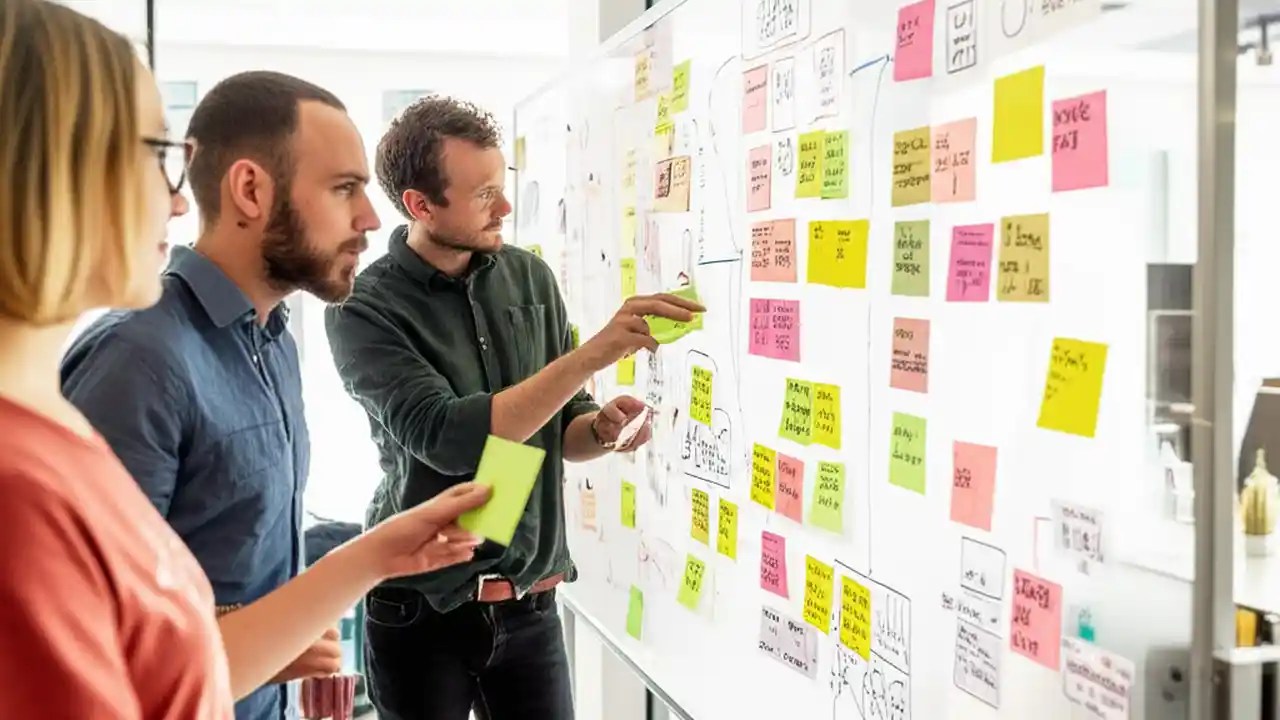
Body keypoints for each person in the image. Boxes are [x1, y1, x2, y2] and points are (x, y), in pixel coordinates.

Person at [0, 1, 492, 717]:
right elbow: (137, 670)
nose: (175, 201)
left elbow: (156, 644)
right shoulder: (124, 376)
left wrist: (374, 556)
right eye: (154, 156)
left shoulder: (274, 345)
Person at [324, 95, 704, 719]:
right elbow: (448, 437)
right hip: (423, 611)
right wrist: (592, 354)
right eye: (482, 196)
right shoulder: (362, 309)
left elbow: (562, 424)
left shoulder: (529, 278)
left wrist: (598, 429)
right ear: (420, 205)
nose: (504, 208)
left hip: (529, 607)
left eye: (502, 188)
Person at [56, 67, 381, 720]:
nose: (369, 218)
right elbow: (94, 635)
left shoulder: (277, 343)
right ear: (251, 189)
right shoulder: (138, 361)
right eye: (344, 188)